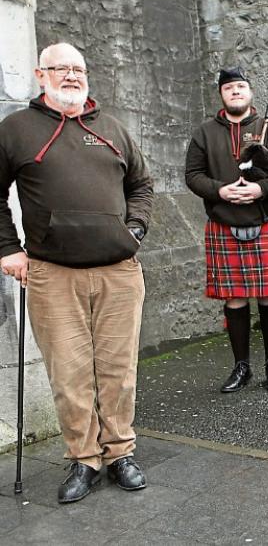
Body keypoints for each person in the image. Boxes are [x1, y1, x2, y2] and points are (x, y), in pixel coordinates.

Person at [0, 43, 154, 502]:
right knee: (69, 373)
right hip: (52, 274)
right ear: (40, 75)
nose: (71, 75)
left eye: (78, 68)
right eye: (60, 68)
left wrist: (135, 229)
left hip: (118, 272)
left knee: (118, 370)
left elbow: (142, 184)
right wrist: (8, 247)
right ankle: (83, 459)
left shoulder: (111, 129)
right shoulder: (16, 130)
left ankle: (120, 454)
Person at [185, 67, 268, 393]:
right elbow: (192, 175)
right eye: (229, 88)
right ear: (221, 94)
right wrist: (220, 190)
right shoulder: (205, 133)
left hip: (265, 222)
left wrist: (261, 190)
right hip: (225, 223)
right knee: (234, 299)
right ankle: (241, 366)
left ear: (250, 92)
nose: (235, 91)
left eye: (240, 86)